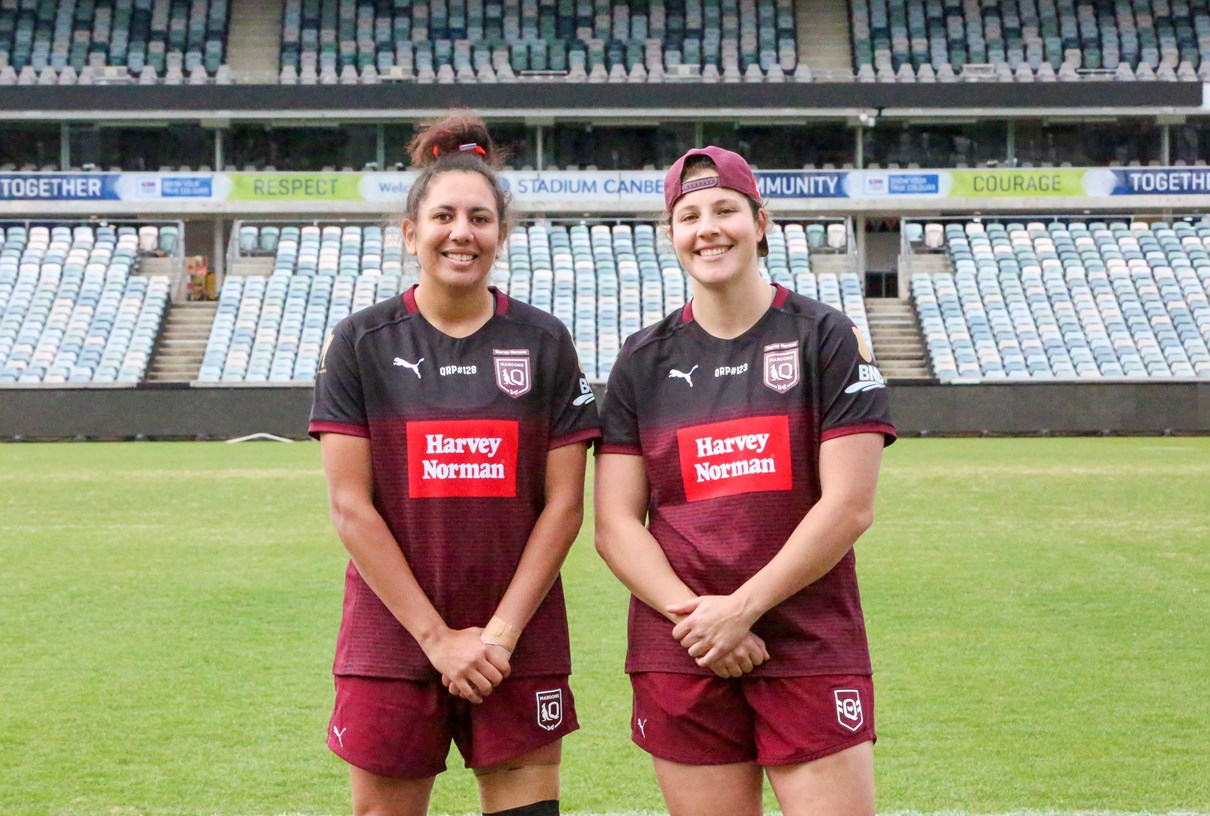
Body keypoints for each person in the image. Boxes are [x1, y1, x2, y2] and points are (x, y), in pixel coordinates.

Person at [309, 112, 600, 816]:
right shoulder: (360, 343)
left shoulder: (544, 342)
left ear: (501, 235)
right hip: (392, 639)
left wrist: (496, 636)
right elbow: (351, 507)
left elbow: (563, 507)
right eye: (442, 216)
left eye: (479, 217)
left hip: (517, 641)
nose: (461, 233)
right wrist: (437, 639)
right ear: (411, 233)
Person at [595, 145, 895, 816]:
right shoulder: (641, 361)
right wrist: (698, 618)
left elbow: (848, 507)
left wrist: (742, 608)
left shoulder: (827, 337)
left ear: (761, 221)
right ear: (669, 234)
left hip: (806, 640)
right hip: (682, 645)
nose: (708, 229)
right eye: (689, 215)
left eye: (726, 210)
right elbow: (614, 524)